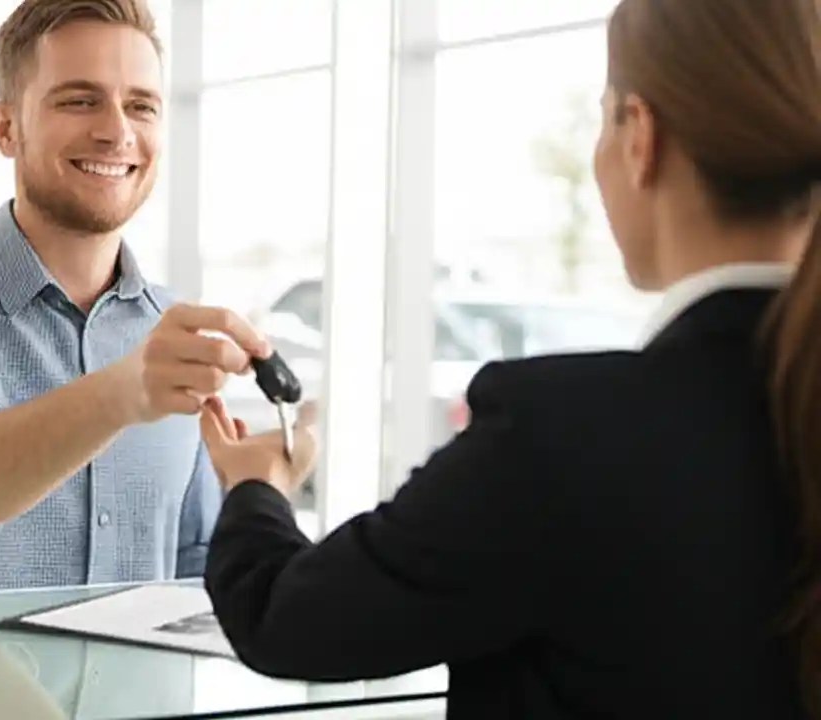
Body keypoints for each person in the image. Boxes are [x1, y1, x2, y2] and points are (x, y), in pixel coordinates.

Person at [199, 0, 821, 717]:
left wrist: (257, 489)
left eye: (603, 114)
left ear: (639, 137)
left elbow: (284, 619)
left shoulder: (563, 438)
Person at [0, 0, 272, 597]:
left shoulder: (175, 337)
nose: (117, 131)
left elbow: (195, 574)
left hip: (145, 696)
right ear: (5, 128)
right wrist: (124, 392)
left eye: (141, 106)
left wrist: (263, 494)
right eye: (80, 100)